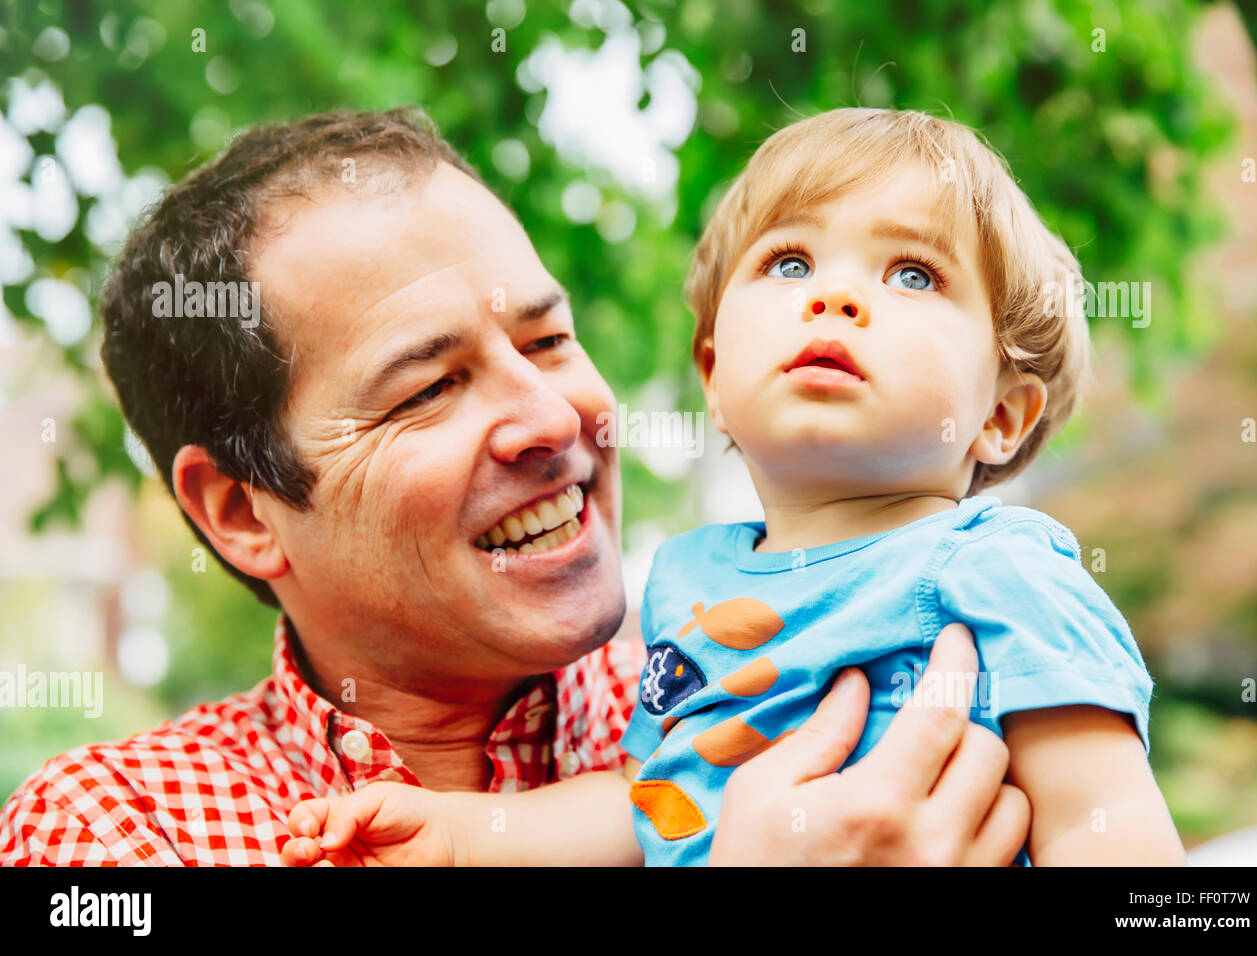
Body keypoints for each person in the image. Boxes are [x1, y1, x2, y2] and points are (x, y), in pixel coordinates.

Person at [0, 108, 1028, 866]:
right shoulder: (116, 832)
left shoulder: (810, 676)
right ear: (240, 510)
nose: (550, 417)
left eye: (549, 339)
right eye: (430, 387)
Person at [279, 109, 1186, 867]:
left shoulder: (999, 572)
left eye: (913, 273)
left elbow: (1108, 825)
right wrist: (468, 838)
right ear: (713, 374)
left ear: (1002, 414)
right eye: (789, 264)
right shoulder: (692, 579)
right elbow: (656, 799)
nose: (834, 297)